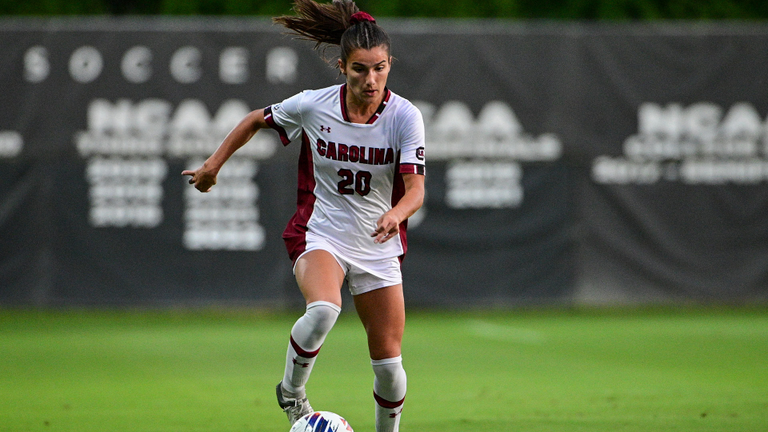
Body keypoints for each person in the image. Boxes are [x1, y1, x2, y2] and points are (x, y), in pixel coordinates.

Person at [182, 1, 426, 431]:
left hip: (377, 245)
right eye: (359, 69)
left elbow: (416, 192)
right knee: (324, 310)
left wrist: (396, 213)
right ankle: (293, 393)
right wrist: (212, 165)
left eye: (380, 68)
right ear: (341, 66)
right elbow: (255, 119)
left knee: (389, 366)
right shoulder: (315, 106)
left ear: (390, 65)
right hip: (322, 234)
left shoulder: (405, 117)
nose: (371, 80)